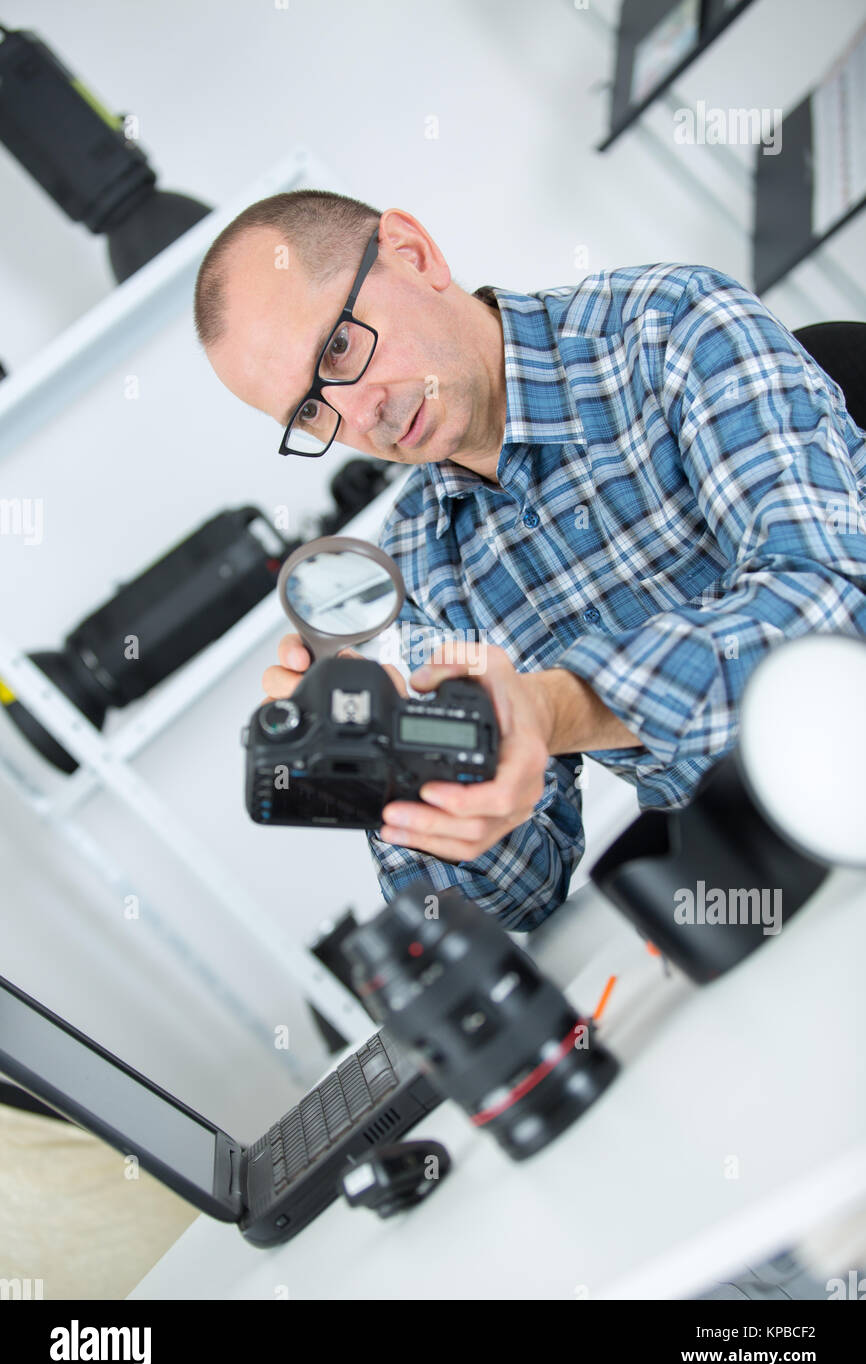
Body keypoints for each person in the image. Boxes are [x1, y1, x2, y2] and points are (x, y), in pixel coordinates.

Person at [193, 191, 866, 930]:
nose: (360, 416)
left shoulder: (671, 325)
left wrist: (547, 709)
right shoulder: (419, 558)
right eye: (310, 414)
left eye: (340, 350)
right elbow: (517, 895)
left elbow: (828, 602)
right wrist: (398, 767)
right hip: (765, 892)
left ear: (414, 254)